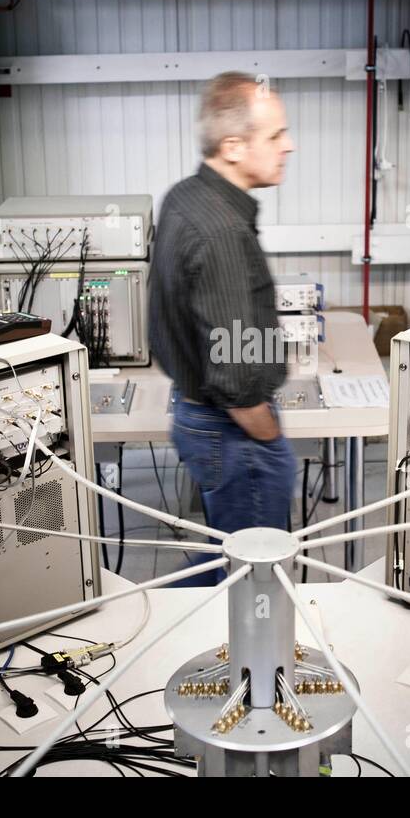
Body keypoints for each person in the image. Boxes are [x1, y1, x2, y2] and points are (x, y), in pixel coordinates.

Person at [148, 72, 297, 585]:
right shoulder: (223, 233)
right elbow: (235, 379)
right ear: (233, 146)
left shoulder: (184, 197)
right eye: (276, 136)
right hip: (234, 434)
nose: (289, 146)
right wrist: (270, 438)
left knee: (225, 560)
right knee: (252, 583)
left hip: (196, 415)